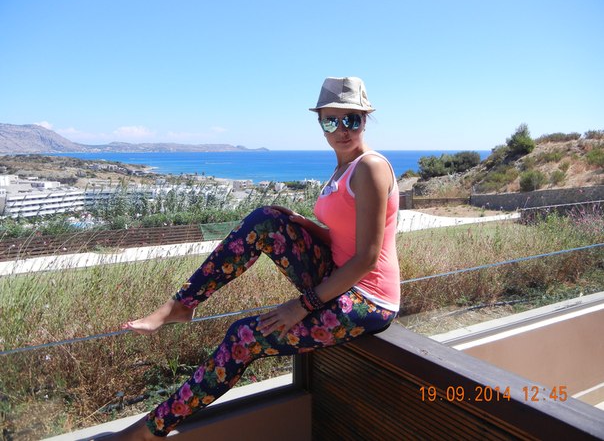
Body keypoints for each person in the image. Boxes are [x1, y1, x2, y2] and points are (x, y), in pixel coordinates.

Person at [109, 76, 401, 439]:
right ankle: (181, 305)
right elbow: (345, 238)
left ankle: (150, 431)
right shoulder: (343, 168)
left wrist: (301, 306)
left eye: (352, 120)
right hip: (338, 274)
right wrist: (304, 225)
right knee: (265, 219)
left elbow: (367, 258)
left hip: (368, 298)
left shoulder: (370, 167)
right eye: (331, 121)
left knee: (244, 337)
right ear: (320, 123)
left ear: (365, 120)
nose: (342, 130)